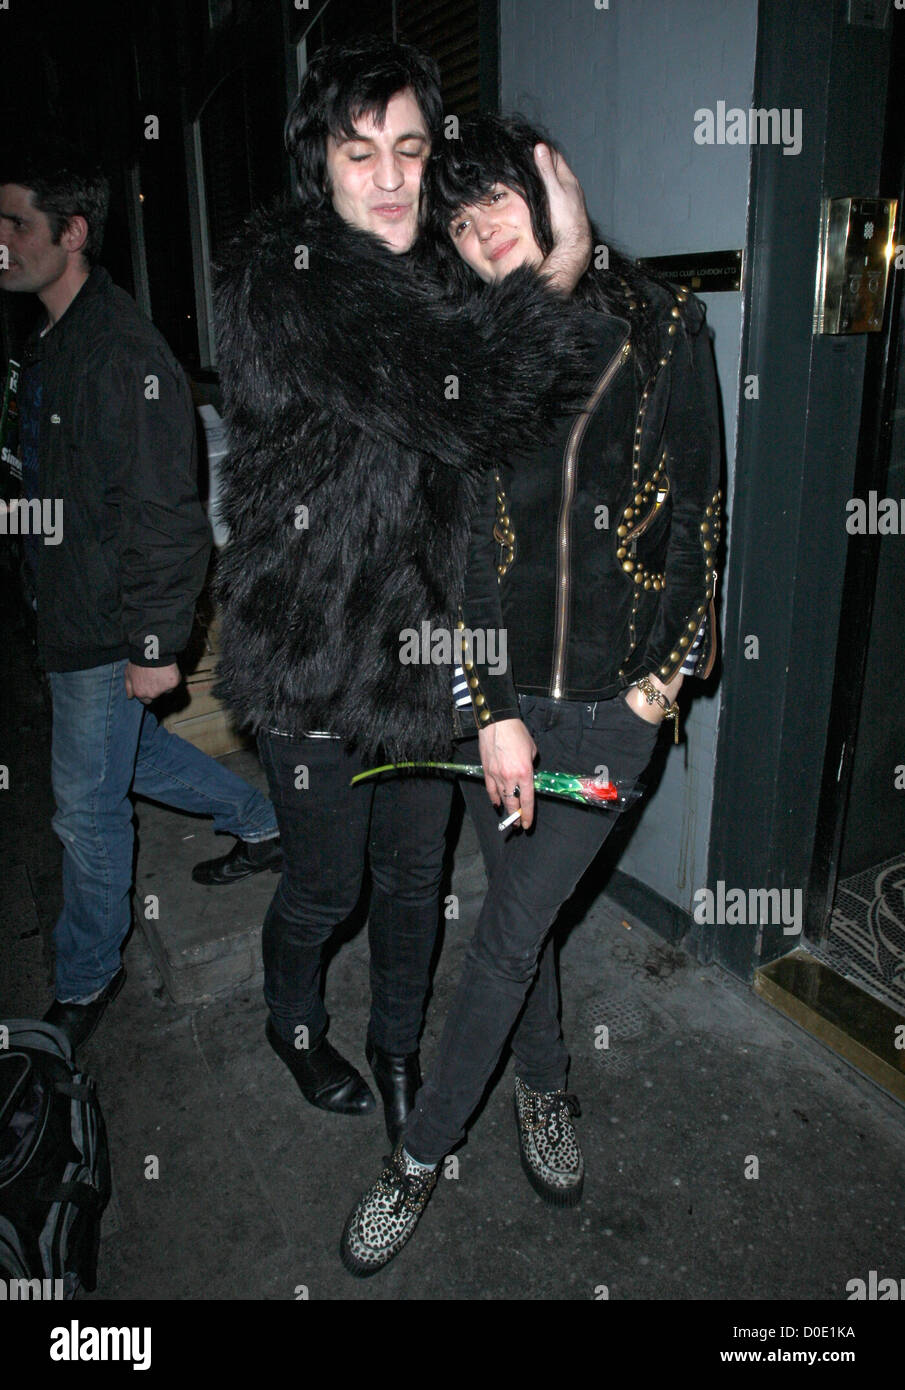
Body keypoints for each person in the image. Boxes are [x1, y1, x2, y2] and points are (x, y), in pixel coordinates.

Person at [341, 114, 722, 1275]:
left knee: (504, 938)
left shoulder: (659, 326)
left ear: (548, 186)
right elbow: (457, 556)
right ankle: (545, 1089)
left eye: (494, 199)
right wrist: (484, 707)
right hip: (494, 704)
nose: (479, 230)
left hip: (610, 712)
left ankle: (416, 1157)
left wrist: (658, 691)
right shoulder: (477, 355)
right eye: (456, 222)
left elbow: (701, 518)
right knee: (529, 927)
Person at [212, 41, 596, 1144]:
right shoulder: (287, 278)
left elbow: (514, 451)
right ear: (316, 161)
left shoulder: (433, 277)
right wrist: (557, 266)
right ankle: (292, 1023)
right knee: (325, 890)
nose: (386, 178)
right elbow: (471, 396)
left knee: (415, 880)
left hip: (427, 658)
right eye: (357, 150)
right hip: (311, 658)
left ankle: (394, 1043)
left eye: (408, 151)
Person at [0, 142, 282, 1049]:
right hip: (71, 612)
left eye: (15, 226)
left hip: (106, 627)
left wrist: (157, 646)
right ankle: (266, 820)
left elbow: (168, 516)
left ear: (71, 233)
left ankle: (87, 979)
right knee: (127, 762)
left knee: (84, 807)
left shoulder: (123, 352)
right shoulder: (54, 338)